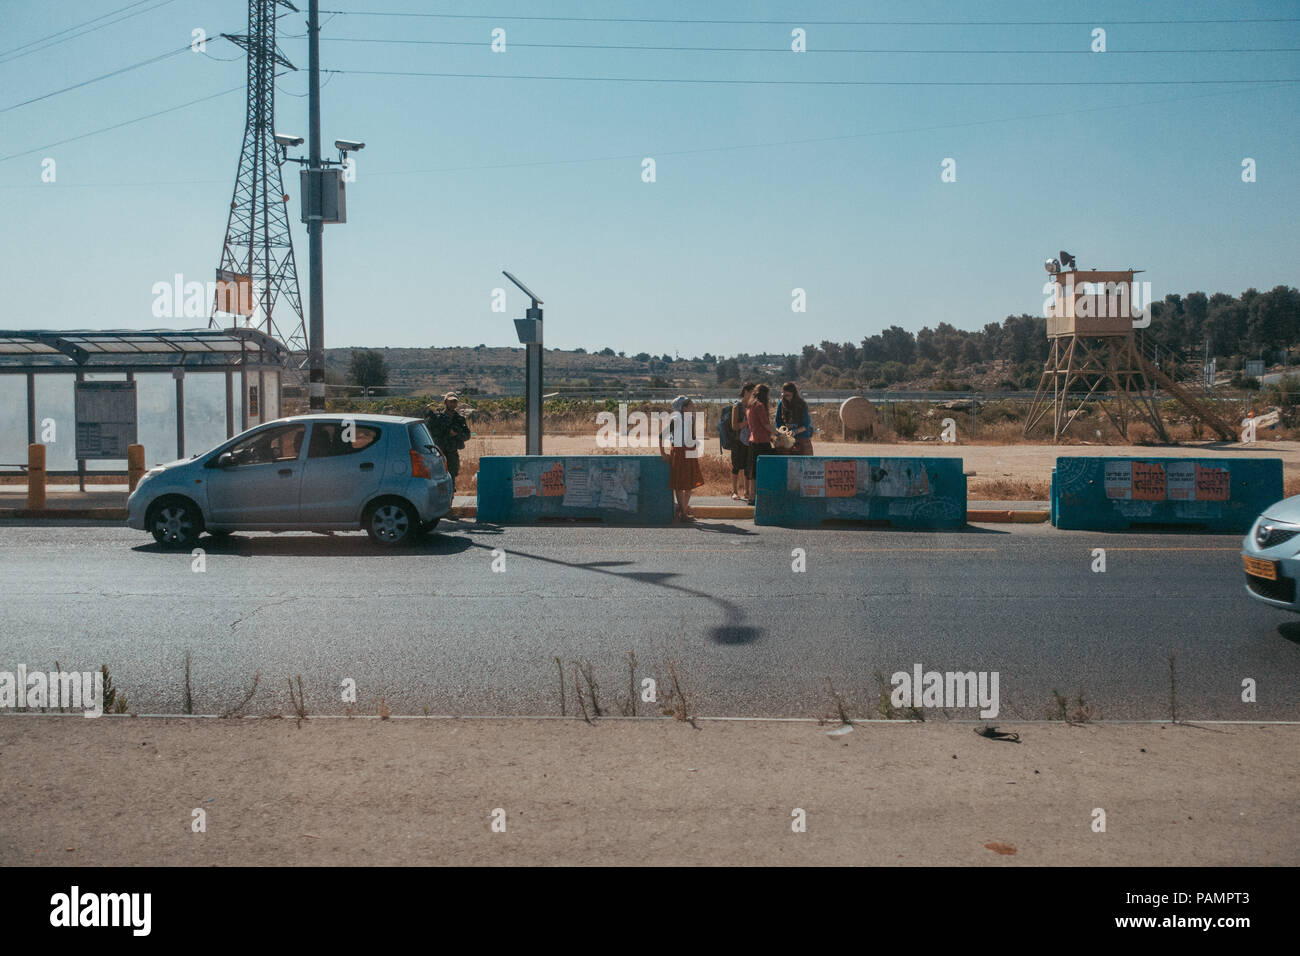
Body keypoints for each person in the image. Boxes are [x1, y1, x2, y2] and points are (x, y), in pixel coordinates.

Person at [661, 395, 704, 521]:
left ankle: (682, 510)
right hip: (679, 452)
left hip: (688, 450)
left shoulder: (689, 419)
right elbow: (662, 436)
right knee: (680, 484)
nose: (693, 407)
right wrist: (663, 453)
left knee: (689, 483)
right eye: (690, 405)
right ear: (683, 408)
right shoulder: (676, 420)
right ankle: (683, 513)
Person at [424, 392, 471, 489]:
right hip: (438, 453)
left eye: (455, 402)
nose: (453, 404)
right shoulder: (437, 418)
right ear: (445, 402)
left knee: (451, 479)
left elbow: (467, 435)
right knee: (437, 479)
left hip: (452, 452)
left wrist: (456, 434)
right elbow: (428, 433)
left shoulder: (459, 419)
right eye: (451, 402)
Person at [744, 384, 775, 504]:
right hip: (762, 441)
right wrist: (778, 434)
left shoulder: (750, 406)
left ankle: (752, 496)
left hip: (753, 440)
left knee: (753, 472)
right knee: (764, 470)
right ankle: (761, 495)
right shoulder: (760, 406)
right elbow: (766, 424)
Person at [728, 382, 755, 499]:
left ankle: (746, 491)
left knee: (748, 467)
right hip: (738, 440)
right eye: (753, 392)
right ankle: (734, 491)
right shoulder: (737, 406)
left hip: (750, 439)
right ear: (746, 392)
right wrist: (748, 421)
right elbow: (734, 426)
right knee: (736, 466)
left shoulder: (753, 406)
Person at [775, 381, 815, 455]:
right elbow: (778, 421)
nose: (786, 398)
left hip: (802, 437)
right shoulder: (781, 404)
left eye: (788, 395)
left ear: (794, 394)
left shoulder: (802, 404)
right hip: (787, 439)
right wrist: (784, 432)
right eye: (784, 395)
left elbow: (806, 424)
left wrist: (795, 432)